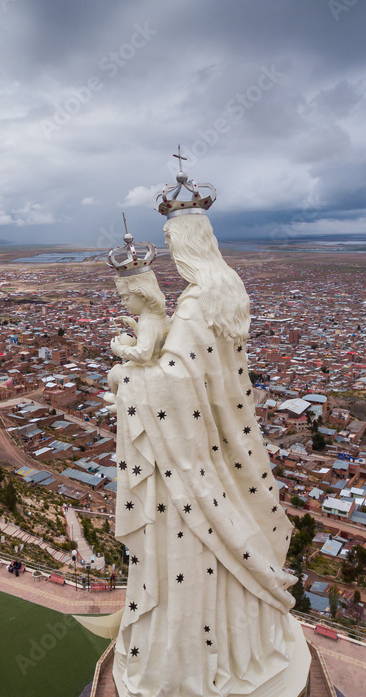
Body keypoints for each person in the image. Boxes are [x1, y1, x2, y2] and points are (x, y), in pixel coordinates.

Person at [108, 202, 306, 695]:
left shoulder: (197, 304)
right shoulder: (226, 291)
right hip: (228, 442)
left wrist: (128, 376)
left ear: (188, 246)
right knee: (237, 530)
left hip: (192, 462)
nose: (172, 255)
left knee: (194, 548)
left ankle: (187, 662)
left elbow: (176, 382)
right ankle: (247, 641)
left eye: (173, 244)